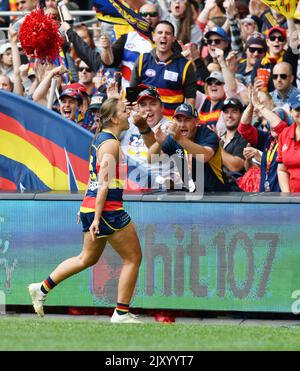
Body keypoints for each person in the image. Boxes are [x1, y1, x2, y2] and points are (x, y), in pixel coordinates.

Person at [28, 97, 143, 323]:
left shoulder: (100, 139)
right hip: (108, 210)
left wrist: (86, 208)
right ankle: (121, 313)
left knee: (86, 258)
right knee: (133, 258)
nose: (128, 113)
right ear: (114, 118)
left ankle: (41, 288)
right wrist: (97, 218)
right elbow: (103, 184)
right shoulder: (111, 143)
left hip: (93, 207)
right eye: (123, 111)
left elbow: (93, 178)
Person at [147, 102, 227, 192]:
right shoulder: (173, 138)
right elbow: (151, 159)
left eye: (187, 120)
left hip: (216, 193)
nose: (182, 125)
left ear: (197, 121)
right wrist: (159, 143)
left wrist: (179, 138)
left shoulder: (208, 134)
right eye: (179, 120)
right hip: (190, 192)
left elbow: (205, 156)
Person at [130, 21, 197, 117]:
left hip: (170, 124)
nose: (164, 36)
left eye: (168, 33)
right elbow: (132, 91)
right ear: (153, 36)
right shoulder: (142, 60)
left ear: (174, 38)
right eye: (160, 32)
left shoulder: (185, 65)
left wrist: (183, 121)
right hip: (145, 119)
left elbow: (191, 98)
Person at [277, 93, 300, 192]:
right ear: (291, 111)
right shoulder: (285, 134)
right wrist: (287, 196)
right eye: (298, 109)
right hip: (293, 200)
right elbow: (282, 169)